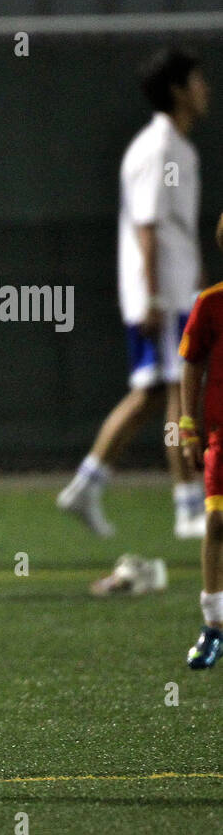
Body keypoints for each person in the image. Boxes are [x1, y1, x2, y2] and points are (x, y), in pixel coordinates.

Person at [58, 47, 210, 540]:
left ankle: (87, 484)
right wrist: (152, 297)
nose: (205, 88)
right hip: (161, 294)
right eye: (197, 80)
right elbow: (146, 227)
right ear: (177, 90)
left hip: (176, 290)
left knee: (151, 393)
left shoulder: (180, 150)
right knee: (175, 389)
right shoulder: (158, 149)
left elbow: (175, 229)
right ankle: (188, 505)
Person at [177, 211, 223, 669]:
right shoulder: (210, 304)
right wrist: (187, 426)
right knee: (217, 522)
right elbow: (191, 363)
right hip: (220, 438)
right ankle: (214, 626)